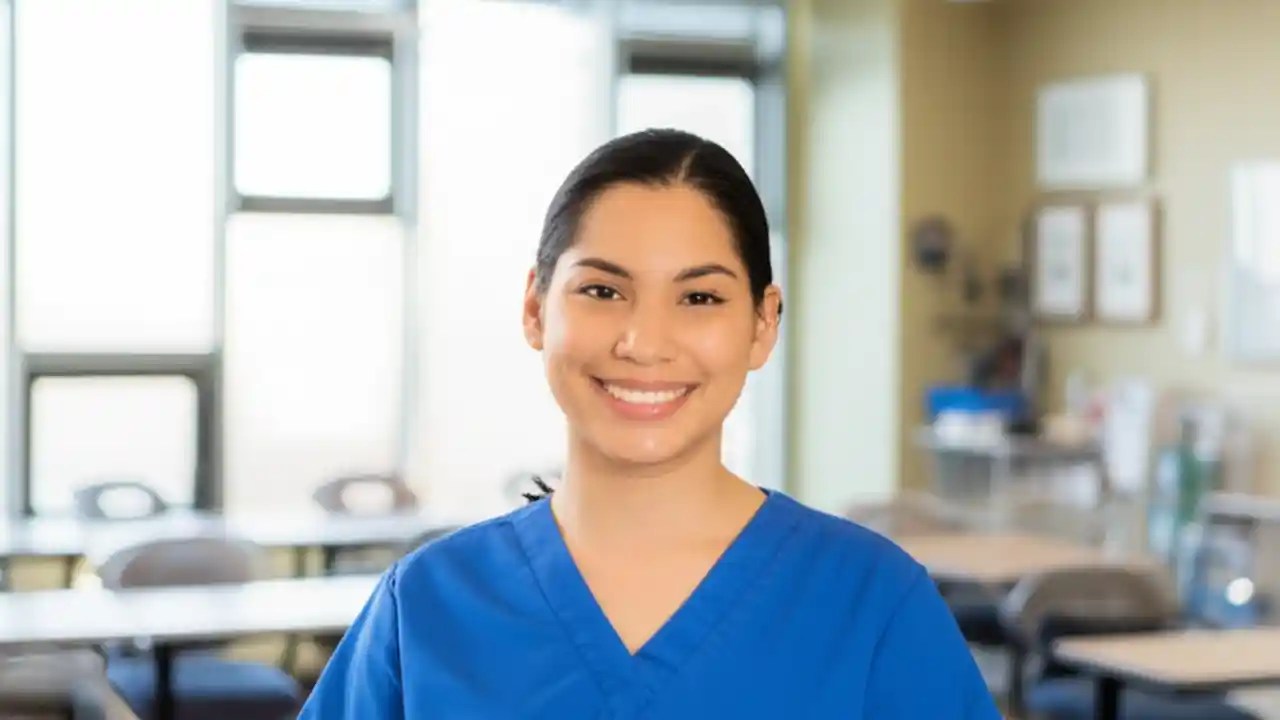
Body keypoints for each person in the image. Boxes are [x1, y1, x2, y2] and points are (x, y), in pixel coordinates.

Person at [300, 129, 1002, 719]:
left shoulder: (872, 608)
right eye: (603, 290)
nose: (643, 341)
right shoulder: (426, 611)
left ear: (763, 324)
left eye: (699, 297)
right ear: (536, 308)